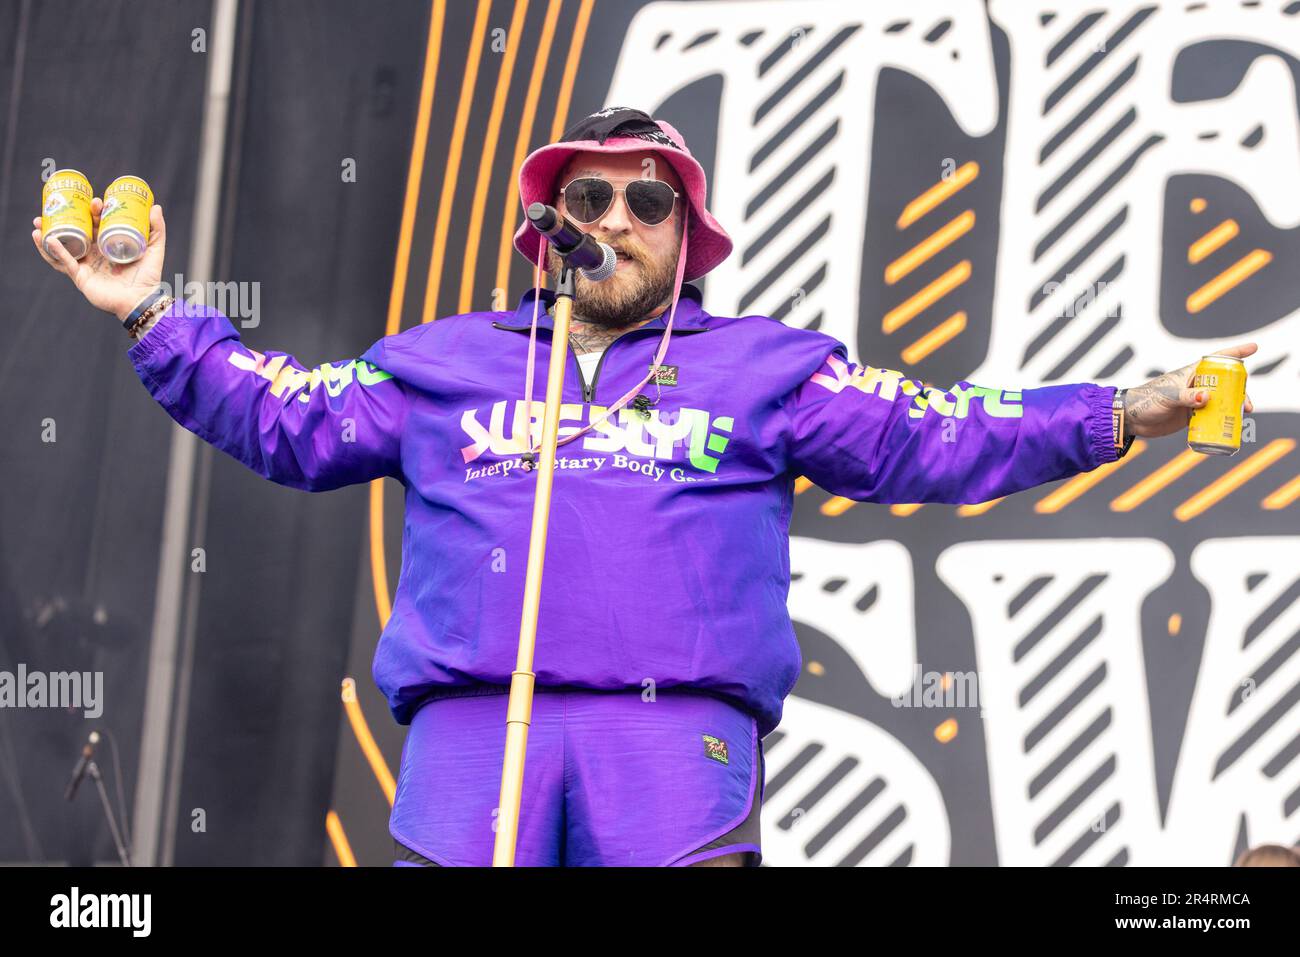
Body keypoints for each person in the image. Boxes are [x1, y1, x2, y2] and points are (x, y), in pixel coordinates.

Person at [33, 107, 1256, 867]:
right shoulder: (446, 361)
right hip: (469, 733)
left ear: (689, 238)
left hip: (675, 740)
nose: (614, 216)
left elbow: (937, 435)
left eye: (647, 200)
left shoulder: (765, 367)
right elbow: (285, 418)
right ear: (544, 226)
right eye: (587, 197)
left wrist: (1116, 412)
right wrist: (147, 311)